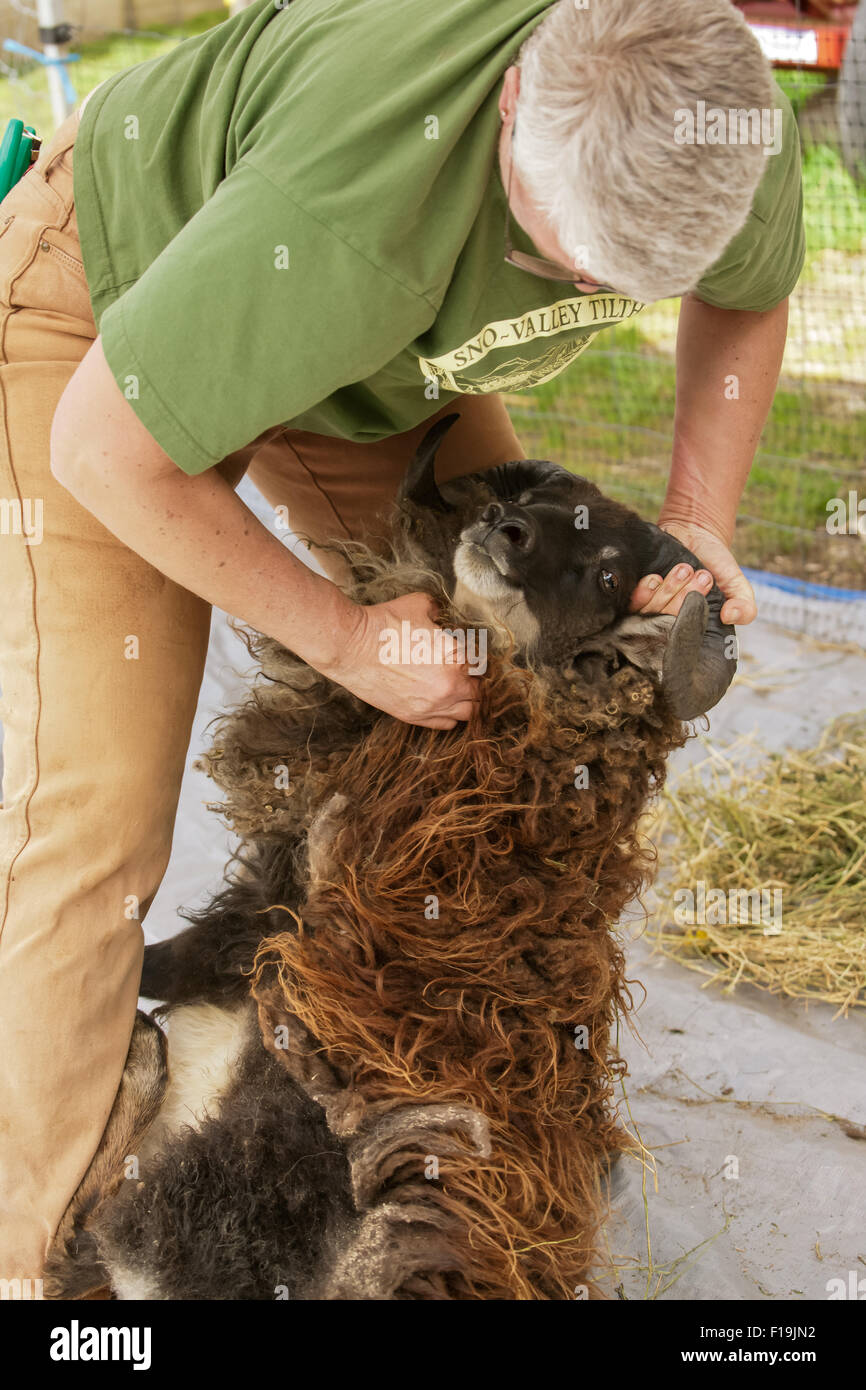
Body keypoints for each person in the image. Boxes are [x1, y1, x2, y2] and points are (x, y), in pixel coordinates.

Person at [0, 0, 803, 1287]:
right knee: (94, 830)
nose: (587, 299)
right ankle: (49, 1273)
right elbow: (107, 452)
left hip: (356, 362)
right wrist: (344, 640)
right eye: (563, 263)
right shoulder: (355, 208)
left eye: (621, 287)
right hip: (107, 315)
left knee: (529, 711)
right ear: (504, 110)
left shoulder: (703, 117)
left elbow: (749, 300)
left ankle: (457, 1099)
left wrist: (698, 522)